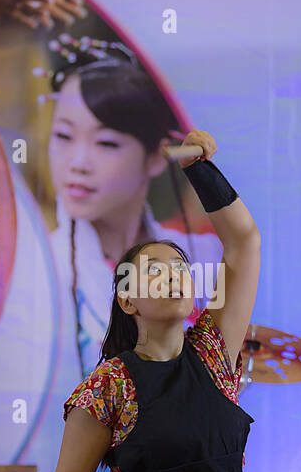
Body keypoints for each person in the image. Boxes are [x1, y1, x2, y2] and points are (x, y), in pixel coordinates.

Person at [49, 130, 264, 472]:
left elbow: (244, 242)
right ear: (128, 299)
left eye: (181, 268)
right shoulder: (110, 383)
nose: (174, 276)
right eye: (155, 271)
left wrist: (196, 169)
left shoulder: (214, 353)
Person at [48, 56, 222, 379]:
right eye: (63, 136)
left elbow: (246, 246)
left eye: (106, 142)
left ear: (157, 156)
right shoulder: (38, 271)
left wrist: (203, 172)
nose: (78, 163)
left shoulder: (207, 258)